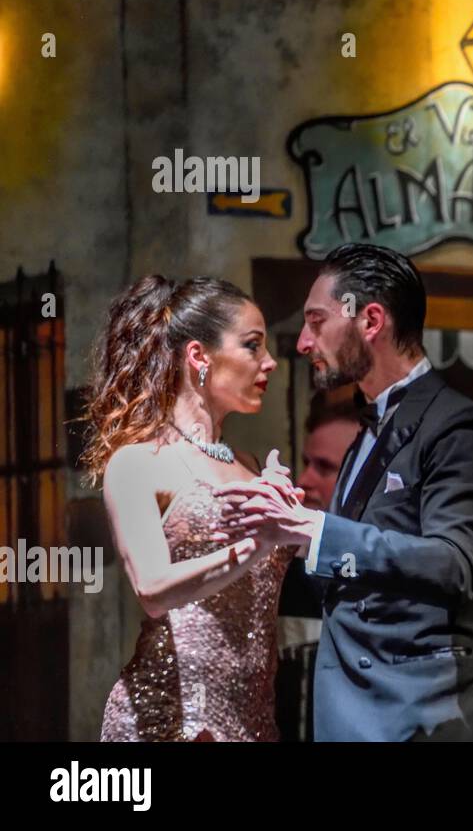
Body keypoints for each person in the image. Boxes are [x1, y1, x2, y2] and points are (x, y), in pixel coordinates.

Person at [217, 243, 473, 741]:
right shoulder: (364, 436)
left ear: (370, 321)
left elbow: (455, 563)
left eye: (317, 321)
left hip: (430, 723)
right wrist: (262, 546)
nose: (305, 343)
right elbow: (348, 587)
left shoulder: (463, 427)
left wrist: (315, 528)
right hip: (356, 721)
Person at [90, 275, 297, 741]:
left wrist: (293, 522)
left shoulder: (249, 467)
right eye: (252, 346)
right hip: (170, 720)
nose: (270, 362)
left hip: (253, 722)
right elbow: (152, 588)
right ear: (199, 357)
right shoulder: (138, 463)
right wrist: (255, 543)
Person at [278, 391, 473, 741]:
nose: (305, 480)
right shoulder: (285, 570)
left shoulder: (442, 565)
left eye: (325, 467)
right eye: (307, 462)